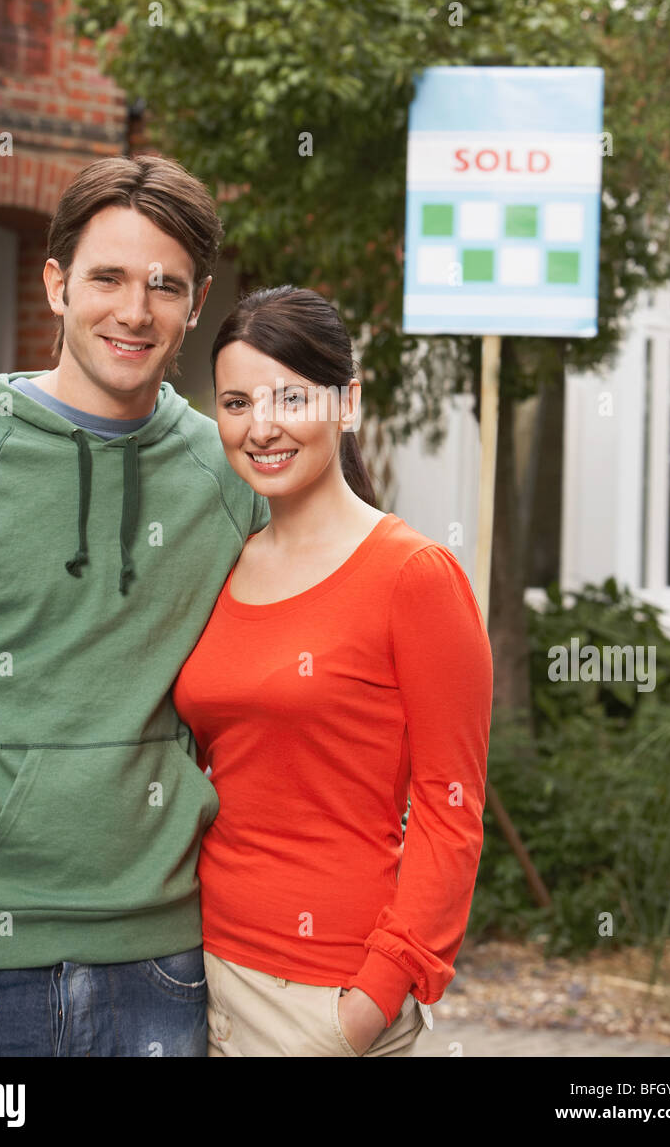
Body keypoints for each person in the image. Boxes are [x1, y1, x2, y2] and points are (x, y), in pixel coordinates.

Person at [0, 154, 269, 1058]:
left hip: (163, 969)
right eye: (109, 278)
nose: (135, 312)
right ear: (56, 284)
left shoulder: (228, 477)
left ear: (196, 303)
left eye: (165, 286)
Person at [171, 284, 493, 1057]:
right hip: (196, 972)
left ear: (347, 402)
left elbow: (451, 808)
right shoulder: (225, 562)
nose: (262, 426)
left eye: (290, 396)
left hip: (324, 997)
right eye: (237, 402)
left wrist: (372, 1000)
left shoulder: (413, 575)